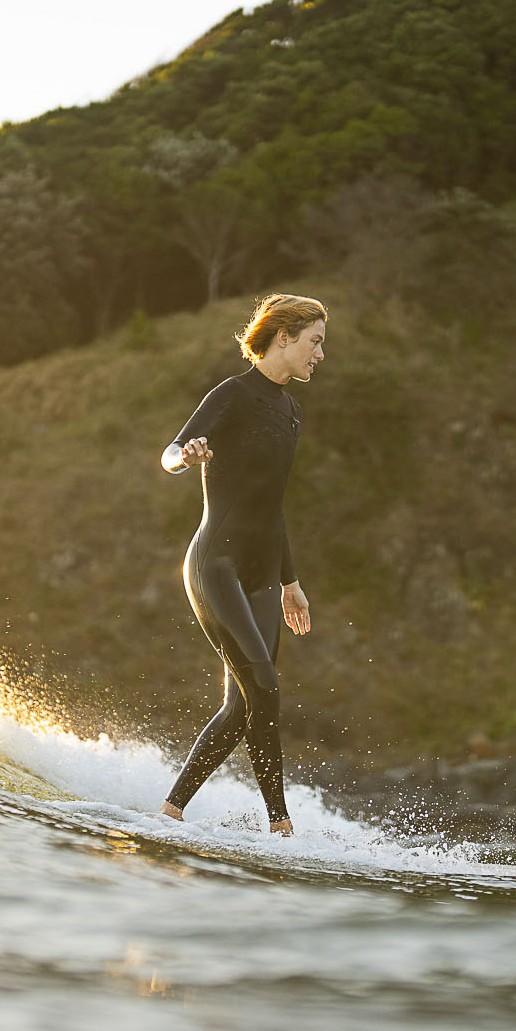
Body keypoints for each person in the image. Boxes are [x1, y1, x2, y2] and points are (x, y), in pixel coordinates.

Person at [157, 293, 327, 835]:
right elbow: (171, 451)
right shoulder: (232, 394)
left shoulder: (292, 411)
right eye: (315, 341)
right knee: (265, 685)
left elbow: (273, 506)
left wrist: (290, 582)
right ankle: (281, 827)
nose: (320, 354)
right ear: (284, 337)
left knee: (243, 702)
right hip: (216, 565)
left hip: (261, 575)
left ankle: (169, 812)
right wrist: (186, 457)